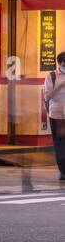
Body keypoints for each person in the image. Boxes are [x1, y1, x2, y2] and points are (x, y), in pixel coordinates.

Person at [43, 52, 65, 181]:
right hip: (56, 114)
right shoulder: (52, 76)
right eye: (64, 64)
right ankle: (62, 170)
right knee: (59, 143)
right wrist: (60, 87)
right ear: (60, 63)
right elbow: (47, 96)